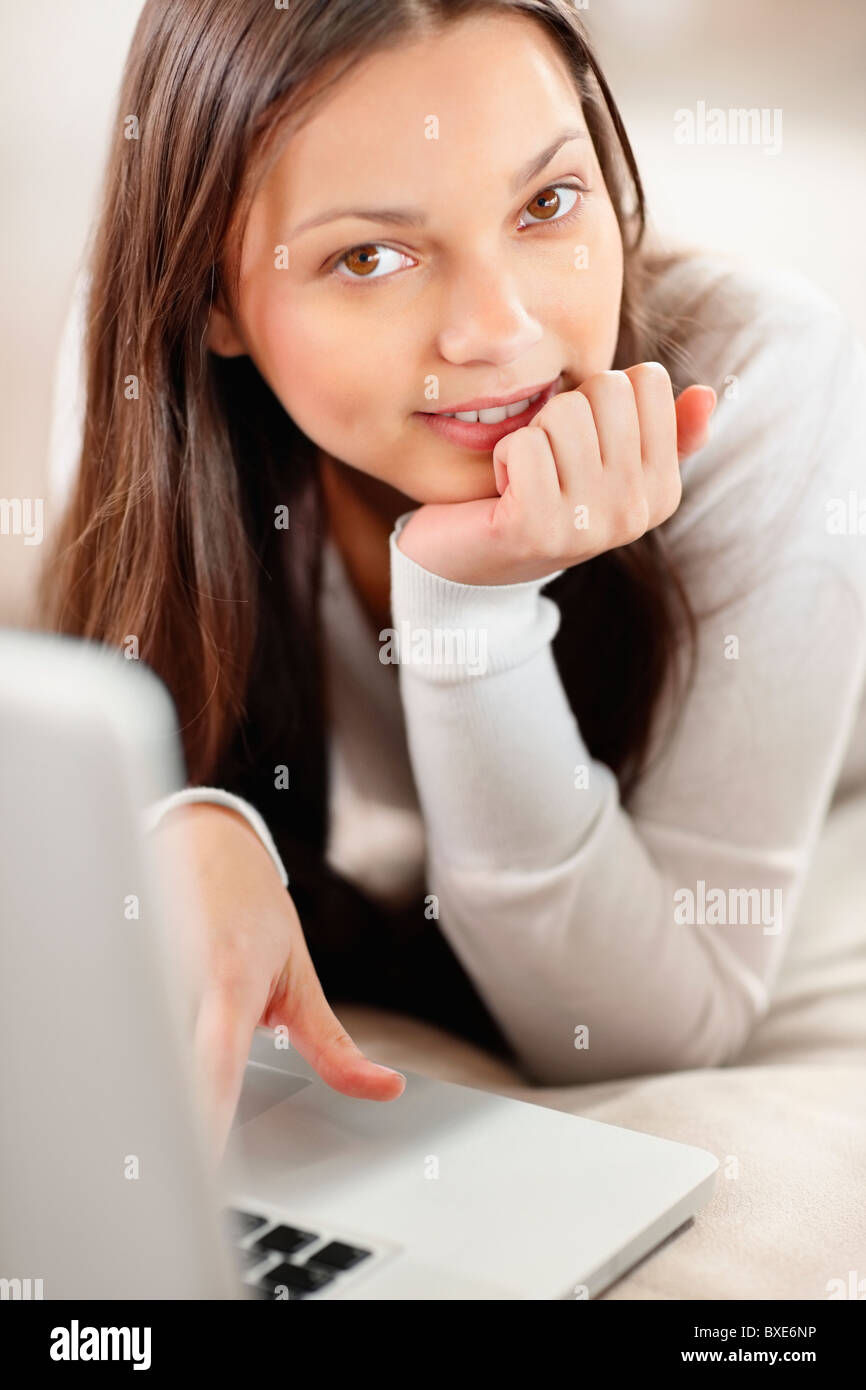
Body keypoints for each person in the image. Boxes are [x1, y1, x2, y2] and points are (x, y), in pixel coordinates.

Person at [39, 0, 866, 1157]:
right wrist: (189, 822)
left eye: (545, 202)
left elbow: (632, 1034)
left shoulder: (762, 380)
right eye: (369, 256)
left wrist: (468, 614)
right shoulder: (145, 383)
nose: (500, 328)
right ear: (214, 299)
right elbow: (86, 748)